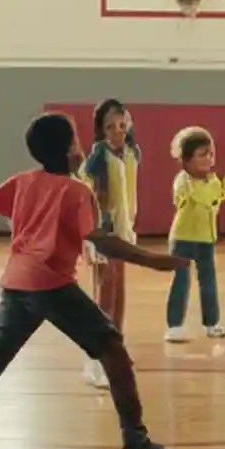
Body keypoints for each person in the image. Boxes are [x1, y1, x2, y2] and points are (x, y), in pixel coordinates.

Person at [0, 112, 186, 449]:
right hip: (51, 286)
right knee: (113, 351)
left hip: (16, 285)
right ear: (69, 148)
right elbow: (101, 241)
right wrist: (152, 260)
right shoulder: (76, 192)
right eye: (76, 139)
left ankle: (136, 440)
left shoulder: (22, 181)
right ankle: (136, 442)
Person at [79, 99, 141, 389]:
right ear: (101, 130)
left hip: (124, 231)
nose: (118, 131)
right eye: (110, 126)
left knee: (120, 293)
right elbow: (86, 185)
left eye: (122, 124)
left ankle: (116, 349)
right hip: (104, 231)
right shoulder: (98, 155)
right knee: (104, 295)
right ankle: (95, 360)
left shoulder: (132, 152)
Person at [164, 126, 225, 342]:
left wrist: (218, 188)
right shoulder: (182, 181)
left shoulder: (213, 181)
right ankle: (174, 325)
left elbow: (215, 202)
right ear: (186, 160)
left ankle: (212, 323)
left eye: (210, 154)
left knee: (208, 281)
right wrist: (215, 190)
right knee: (181, 281)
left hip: (206, 239)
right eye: (202, 155)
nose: (209, 159)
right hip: (183, 237)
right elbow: (200, 198)